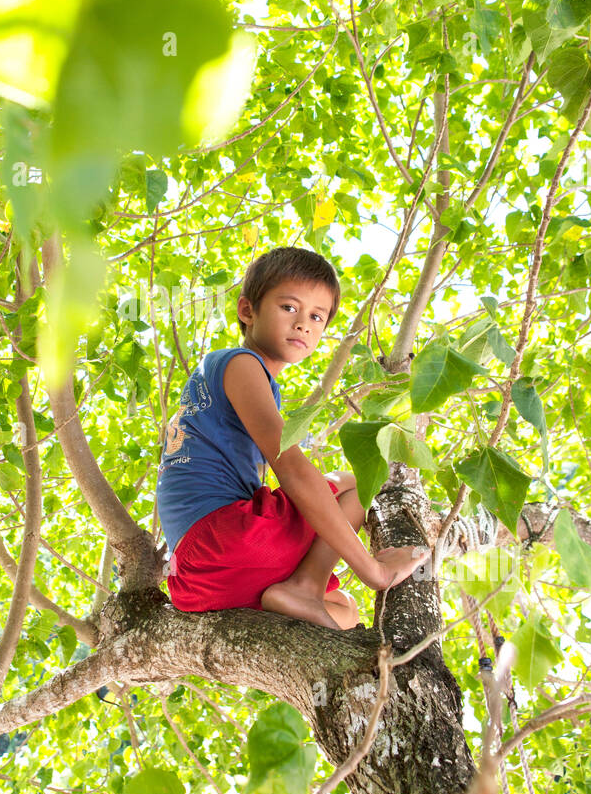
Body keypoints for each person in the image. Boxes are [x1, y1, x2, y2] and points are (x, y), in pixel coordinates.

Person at [156, 246, 429, 630]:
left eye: (317, 316)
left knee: (346, 612)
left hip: (198, 581)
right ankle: (306, 583)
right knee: (359, 482)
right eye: (289, 307)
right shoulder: (239, 363)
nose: (304, 323)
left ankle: (304, 589)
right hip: (223, 539)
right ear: (247, 310)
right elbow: (294, 473)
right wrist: (374, 572)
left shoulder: (232, 376)